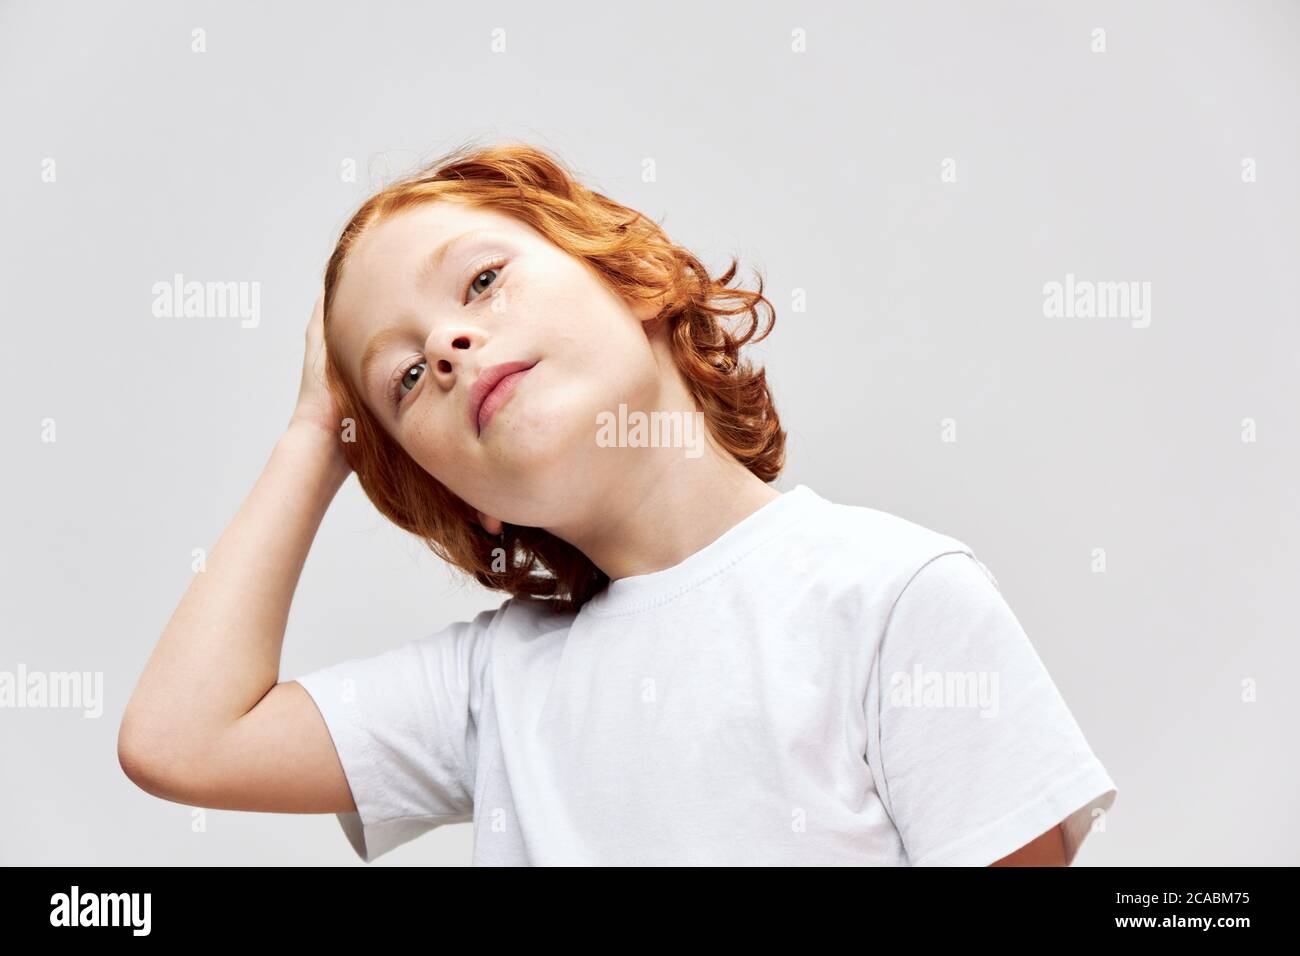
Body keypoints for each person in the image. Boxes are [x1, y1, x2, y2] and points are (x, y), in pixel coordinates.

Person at [118, 141, 1117, 865]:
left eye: (480, 280)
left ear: (630, 275)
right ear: (457, 495)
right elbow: (181, 739)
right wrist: (313, 434)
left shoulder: (895, 597)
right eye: (405, 378)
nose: (447, 349)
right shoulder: (491, 685)